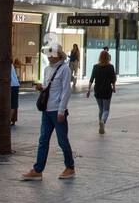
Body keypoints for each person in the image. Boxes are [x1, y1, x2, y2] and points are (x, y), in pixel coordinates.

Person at [22, 44, 75, 180]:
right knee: (43, 140)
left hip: (57, 110)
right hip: (47, 110)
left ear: (59, 55)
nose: (50, 56)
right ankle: (38, 170)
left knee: (62, 140)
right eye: (49, 53)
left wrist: (62, 110)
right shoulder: (46, 70)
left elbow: (66, 91)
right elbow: (50, 87)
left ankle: (70, 167)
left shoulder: (64, 69)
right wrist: (42, 87)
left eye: (53, 53)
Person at [87, 49, 118, 132]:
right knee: (106, 110)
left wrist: (89, 89)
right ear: (108, 58)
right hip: (107, 91)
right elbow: (113, 79)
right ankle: (103, 121)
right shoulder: (110, 67)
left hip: (97, 91)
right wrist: (114, 87)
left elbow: (91, 79)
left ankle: (101, 126)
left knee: (101, 109)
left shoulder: (95, 67)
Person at [10, 58, 21, 126]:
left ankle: (9, 120)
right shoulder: (11, 65)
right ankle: (12, 120)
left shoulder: (7, 65)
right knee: (13, 103)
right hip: (15, 84)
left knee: (12, 104)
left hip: (12, 85)